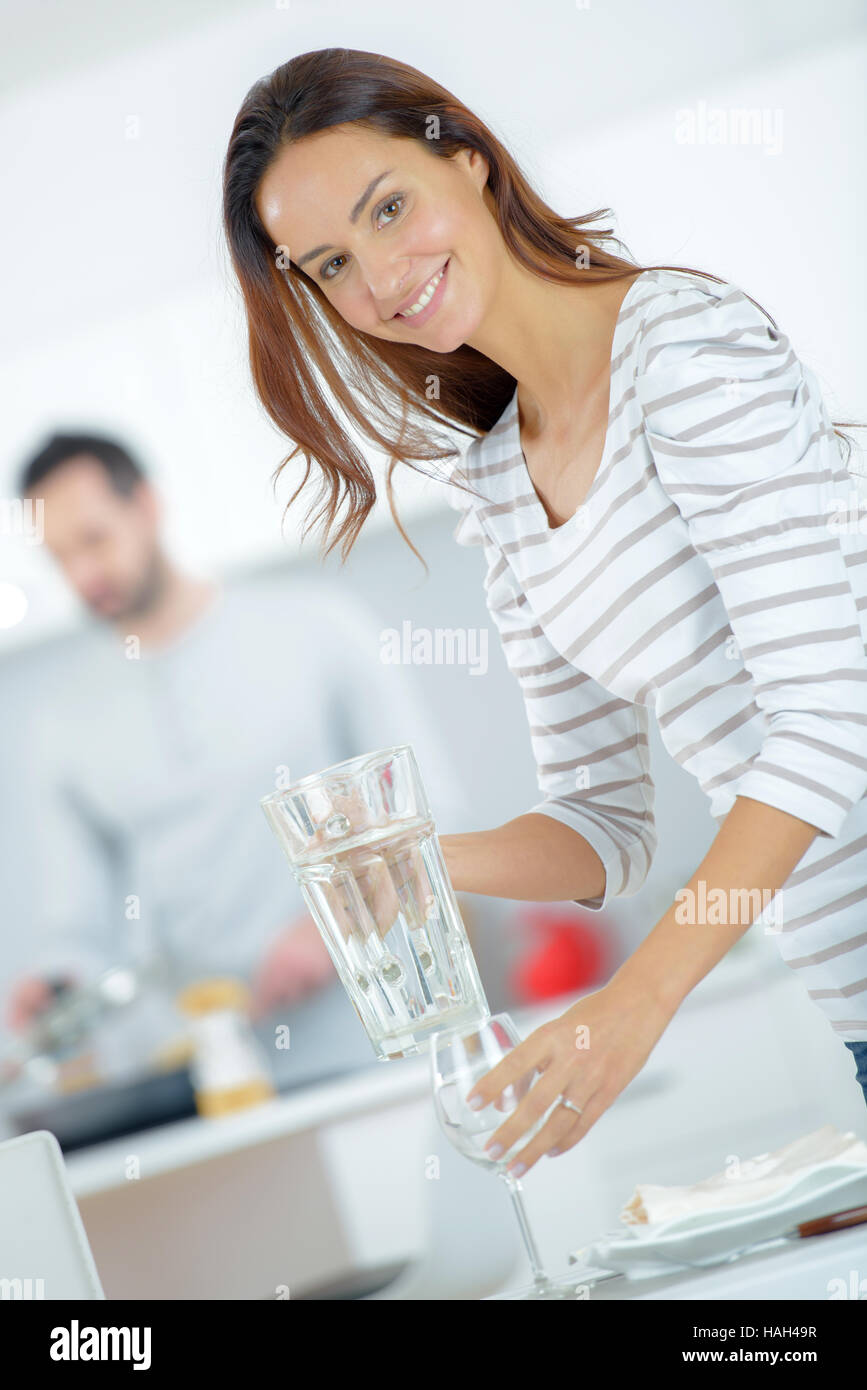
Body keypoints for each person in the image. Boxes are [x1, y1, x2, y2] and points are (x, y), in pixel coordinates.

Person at [219, 48, 867, 1158]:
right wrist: (410, 856)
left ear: (466, 157)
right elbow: (601, 828)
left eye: (388, 208)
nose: (378, 280)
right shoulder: (500, 484)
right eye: (330, 263)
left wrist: (637, 999)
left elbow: (831, 715)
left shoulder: (680, 345)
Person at [3, 430, 468, 1079]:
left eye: (94, 539)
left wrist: (335, 927)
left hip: (382, 1036)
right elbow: (79, 924)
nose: (84, 575)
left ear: (147, 506)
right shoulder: (62, 724)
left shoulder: (317, 630)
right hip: (215, 1069)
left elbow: (429, 811)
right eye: (60, 558)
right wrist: (57, 985)